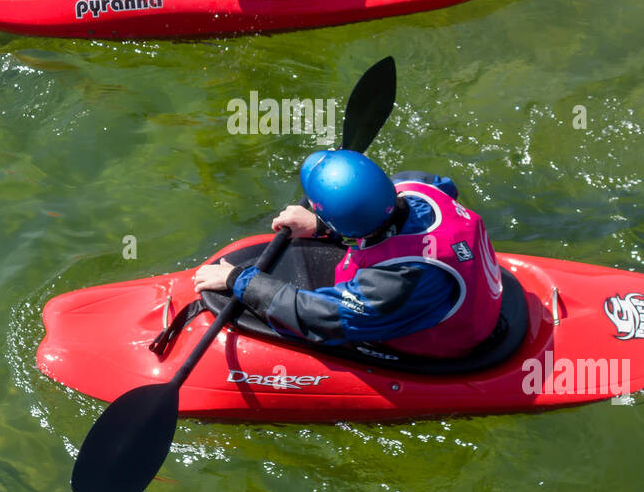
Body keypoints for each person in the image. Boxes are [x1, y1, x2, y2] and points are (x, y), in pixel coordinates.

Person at [192, 150, 507, 358]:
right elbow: (398, 210)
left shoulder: (394, 283)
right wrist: (321, 225)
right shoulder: (418, 185)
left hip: (451, 342)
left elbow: (321, 319)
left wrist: (239, 280)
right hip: (462, 288)